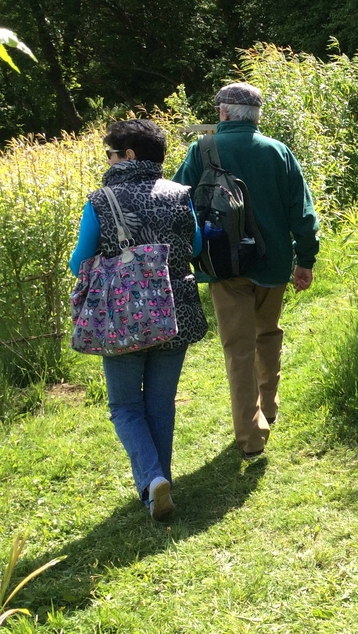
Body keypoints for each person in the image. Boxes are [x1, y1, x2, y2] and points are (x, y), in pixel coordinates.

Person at [69, 119, 208, 521]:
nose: (108, 159)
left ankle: (151, 481)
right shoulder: (180, 194)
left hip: (120, 317)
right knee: (161, 405)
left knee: (126, 407)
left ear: (128, 156)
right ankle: (157, 484)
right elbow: (195, 246)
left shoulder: (100, 200)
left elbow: (80, 261)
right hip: (175, 309)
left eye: (111, 152)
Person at [173, 82, 319, 460]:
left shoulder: (201, 149)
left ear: (222, 113)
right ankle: (268, 408)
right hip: (271, 264)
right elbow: (302, 212)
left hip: (223, 266)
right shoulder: (278, 152)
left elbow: (177, 201)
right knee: (267, 335)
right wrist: (305, 259)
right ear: (256, 116)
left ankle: (251, 438)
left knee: (238, 350)